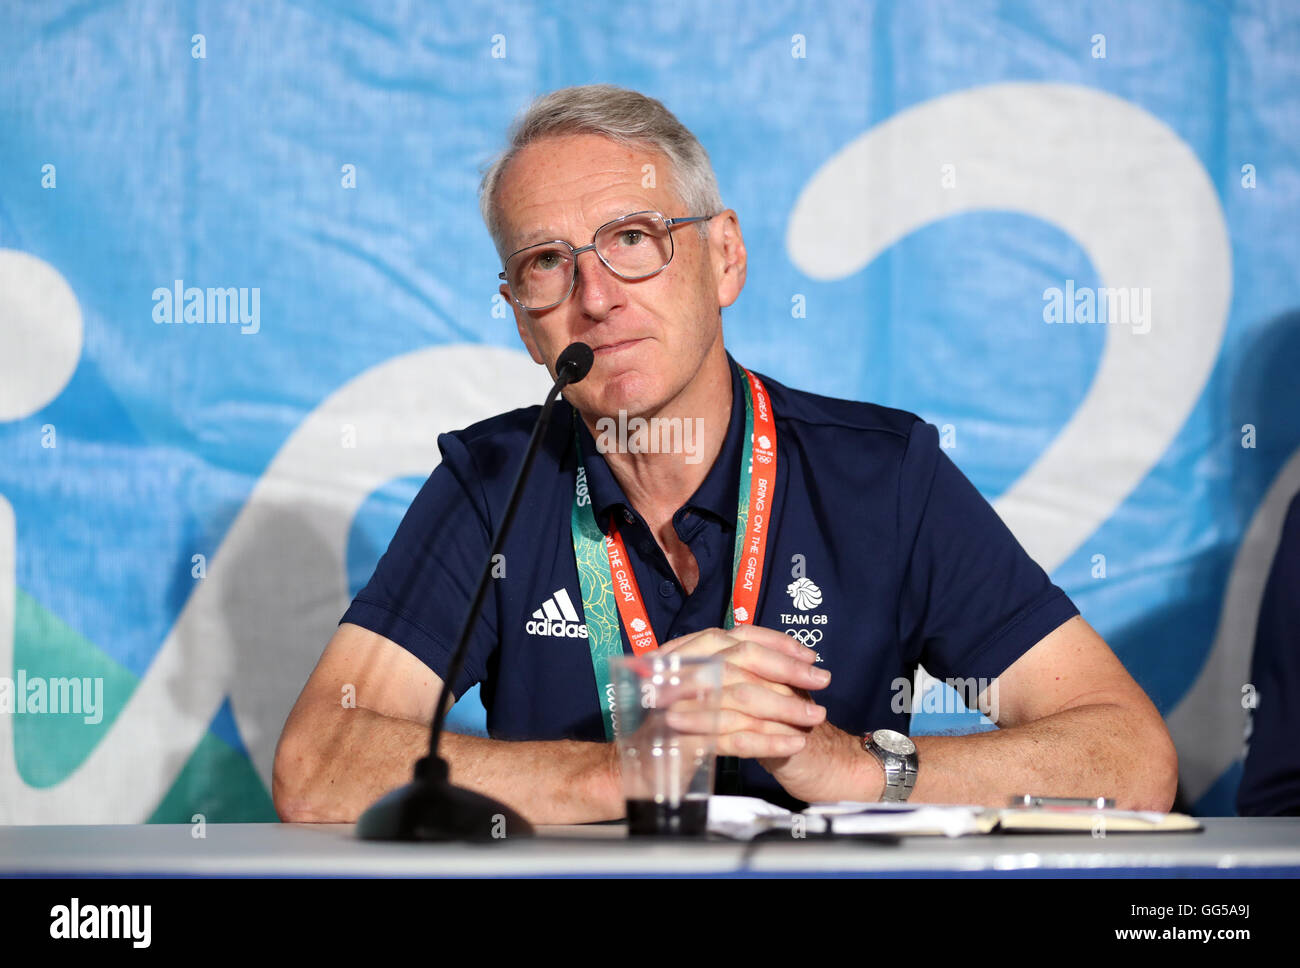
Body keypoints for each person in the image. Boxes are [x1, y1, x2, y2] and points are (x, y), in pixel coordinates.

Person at [272, 83, 1177, 824]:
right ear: (521, 319)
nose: (595, 297)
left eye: (634, 239)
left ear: (726, 258)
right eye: (548, 262)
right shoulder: (492, 483)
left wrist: (858, 771)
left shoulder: (882, 474)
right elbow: (318, 767)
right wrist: (619, 772)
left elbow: (1131, 758)